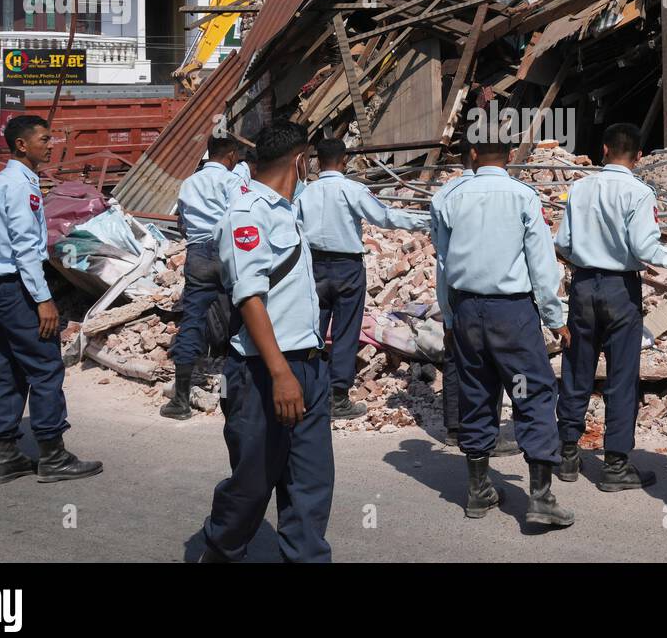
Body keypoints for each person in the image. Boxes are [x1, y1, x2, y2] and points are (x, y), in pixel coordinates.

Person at [201, 121, 332, 563]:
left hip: (309, 368)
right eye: (310, 161)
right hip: (263, 373)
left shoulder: (285, 209)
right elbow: (250, 297)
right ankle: (219, 549)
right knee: (253, 484)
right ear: (300, 161)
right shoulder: (247, 214)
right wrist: (280, 374)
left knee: (310, 486)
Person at [431, 133, 574, 527]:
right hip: (511, 315)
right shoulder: (522, 196)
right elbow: (542, 264)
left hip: (466, 311)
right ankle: (541, 496)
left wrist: (448, 317)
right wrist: (555, 317)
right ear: (510, 156)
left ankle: (478, 492)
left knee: (476, 393)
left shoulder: (447, 198)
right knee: (532, 393)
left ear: (473, 155)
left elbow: (442, 265)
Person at [554, 122, 667, 490]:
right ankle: (616, 464)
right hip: (621, 290)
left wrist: (586, 260)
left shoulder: (580, 188)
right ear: (638, 156)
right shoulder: (640, 193)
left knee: (577, 366)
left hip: (584, 284)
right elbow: (646, 249)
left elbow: (564, 242)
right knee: (622, 375)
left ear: (604, 149)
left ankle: (568, 452)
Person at [0, 115, 101, 484]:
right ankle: (52, 454)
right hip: (18, 290)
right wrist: (43, 299)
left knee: (9, 371)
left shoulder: (1, 181)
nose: (51, 145)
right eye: (44, 139)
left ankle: (6, 456)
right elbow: (24, 248)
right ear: (22, 145)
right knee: (47, 368)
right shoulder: (20, 186)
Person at [297, 137, 430, 419]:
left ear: (317, 162)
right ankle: (338, 397)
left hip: (313, 266)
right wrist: (426, 220)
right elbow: (385, 218)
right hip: (346, 268)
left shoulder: (304, 193)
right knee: (345, 331)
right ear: (344, 161)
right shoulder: (353, 189)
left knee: (310, 329)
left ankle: (306, 390)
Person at [428, 146, 519, 455]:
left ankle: (456, 427)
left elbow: (441, 256)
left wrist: (446, 309)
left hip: (458, 286)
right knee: (489, 364)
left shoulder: (445, 196)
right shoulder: (512, 192)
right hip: (498, 295)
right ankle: (486, 431)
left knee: (458, 356)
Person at [162, 135, 243, 420]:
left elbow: (182, 222)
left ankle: (181, 401)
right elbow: (242, 216)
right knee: (238, 318)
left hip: (197, 255)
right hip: (226, 252)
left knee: (192, 321)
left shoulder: (189, 183)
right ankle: (231, 396)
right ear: (232, 156)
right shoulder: (233, 182)